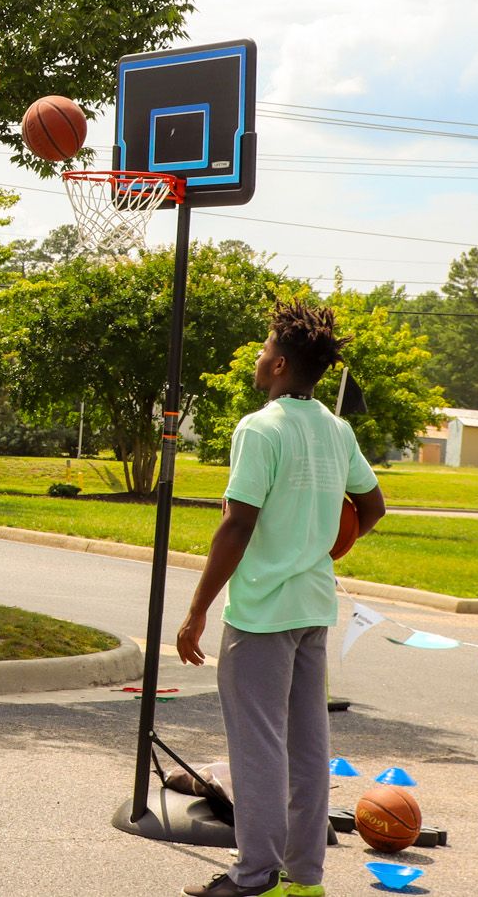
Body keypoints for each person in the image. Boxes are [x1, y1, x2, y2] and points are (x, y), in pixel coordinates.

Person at [176, 302, 386, 897]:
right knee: (307, 745)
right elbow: (372, 507)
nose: (259, 356)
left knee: (258, 747)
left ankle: (255, 876)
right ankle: (303, 879)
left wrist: (196, 611)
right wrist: (319, 545)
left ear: (281, 364)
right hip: (314, 607)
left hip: (263, 614)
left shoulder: (260, 427)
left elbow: (236, 525)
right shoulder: (336, 428)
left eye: (265, 348)